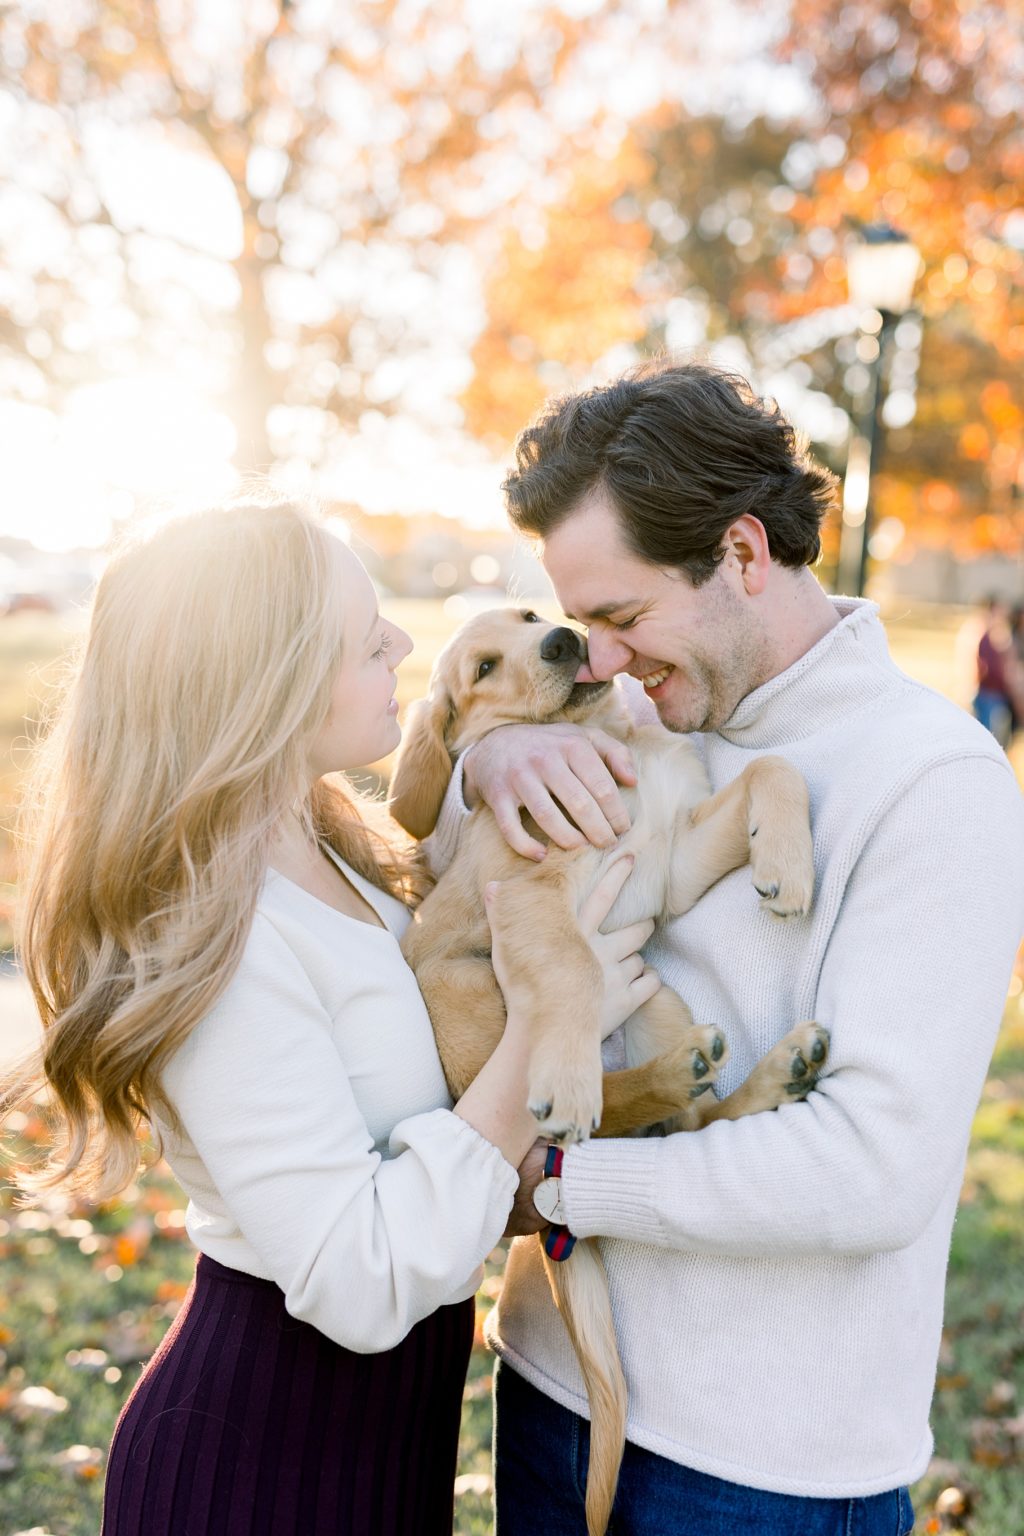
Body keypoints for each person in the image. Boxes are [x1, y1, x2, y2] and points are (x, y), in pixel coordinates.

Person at [428, 362, 1024, 1536]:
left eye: (621, 617)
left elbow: (870, 1169)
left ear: (743, 555)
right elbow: (443, 851)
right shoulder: (637, 708)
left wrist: (556, 1186)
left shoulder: (933, 784)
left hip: (751, 1470)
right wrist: (484, 758)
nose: (596, 660)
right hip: (550, 1386)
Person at [2, 496, 657, 1536]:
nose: (400, 640)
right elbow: (357, 1281)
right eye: (364, 642)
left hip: (378, 1455)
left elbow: (464, 811)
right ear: (267, 684)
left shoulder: (323, 837)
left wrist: (497, 752)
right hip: (256, 1470)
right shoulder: (220, 941)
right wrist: (544, 1026)